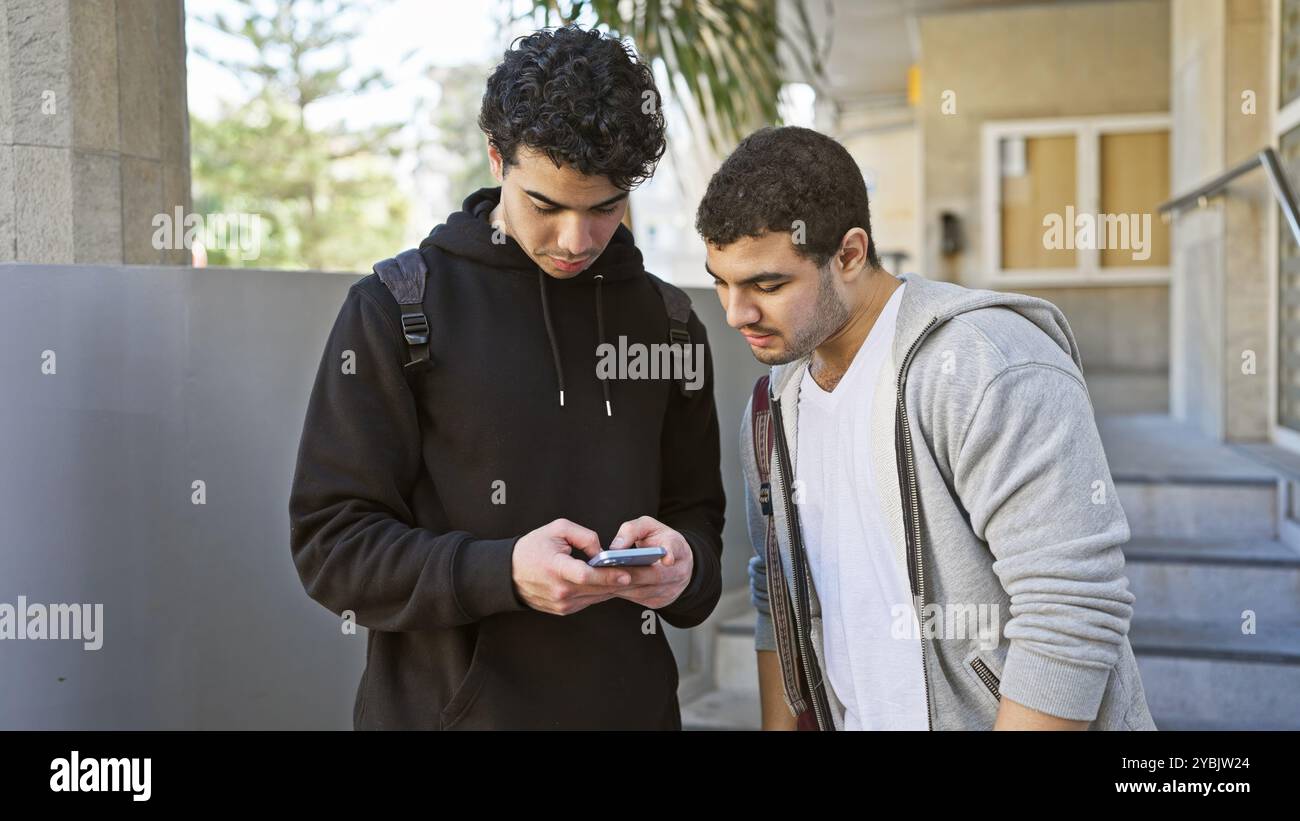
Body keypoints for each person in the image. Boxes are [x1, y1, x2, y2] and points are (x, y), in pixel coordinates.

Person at [288, 25, 725, 730]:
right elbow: (331, 548)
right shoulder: (397, 308)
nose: (577, 241)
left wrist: (686, 567)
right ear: (497, 158)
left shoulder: (670, 323)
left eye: (605, 208)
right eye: (546, 205)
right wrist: (501, 572)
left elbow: (699, 517)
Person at [696, 125, 1156, 730]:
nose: (736, 314)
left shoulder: (989, 365)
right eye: (721, 282)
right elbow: (775, 593)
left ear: (850, 253)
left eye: (768, 284)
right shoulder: (776, 405)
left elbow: (1070, 610)